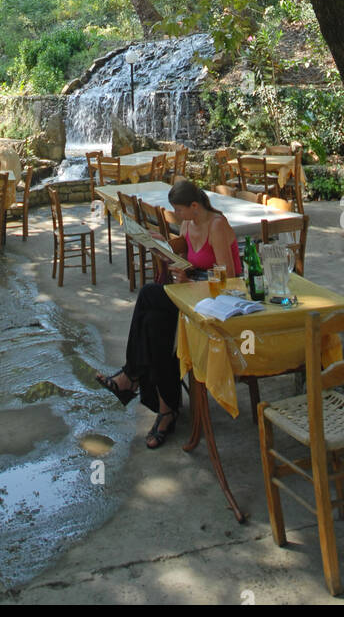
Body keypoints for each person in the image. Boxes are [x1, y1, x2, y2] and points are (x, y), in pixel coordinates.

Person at [95, 179, 242, 448]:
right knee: (153, 323)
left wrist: (191, 282)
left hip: (215, 298)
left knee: (148, 293)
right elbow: (184, 252)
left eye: (180, 210)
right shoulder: (188, 223)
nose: (177, 215)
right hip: (191, 290)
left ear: (195, 206)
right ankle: (165, 409)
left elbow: (229, 278)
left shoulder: (217, 226)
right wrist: (161, 243)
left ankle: (132, 377)